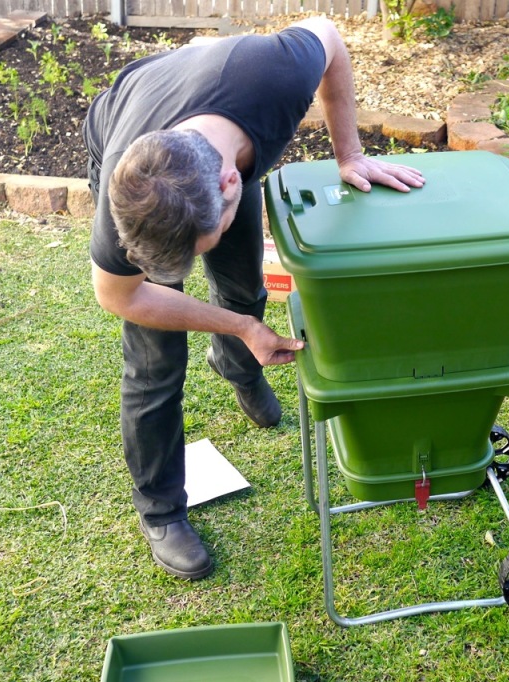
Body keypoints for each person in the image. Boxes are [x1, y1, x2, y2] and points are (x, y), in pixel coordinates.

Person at [83, 16, 425, 580]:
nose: (191, 263)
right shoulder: (130, 199)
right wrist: (238, 326)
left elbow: (331, 37)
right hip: (128, 116)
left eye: (201, 243)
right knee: (154, 360)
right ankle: (161, 511)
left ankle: (238, 371)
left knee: (246, 289)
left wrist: (350, 154)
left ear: (231, 185)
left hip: (211, 115)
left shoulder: (273, 72)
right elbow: (120, 296)